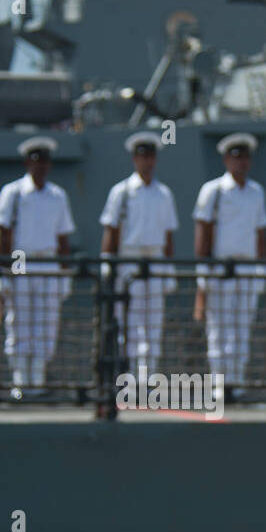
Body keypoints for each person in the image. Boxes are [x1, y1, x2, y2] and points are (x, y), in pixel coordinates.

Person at [0, 136, 76, 400]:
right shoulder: (12, 193)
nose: (40, 166)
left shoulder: (58, 195)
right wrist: (3, 274)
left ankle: (37, 380)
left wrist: (64, 274)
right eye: (36, 161)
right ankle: (20, 382)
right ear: (28, 163)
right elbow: (2, 234)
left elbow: (63, 238)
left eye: (45, 161)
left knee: (46, 324)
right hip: (20, 260)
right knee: (19, 323)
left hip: (48, 261)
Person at [193, 132, 266, 398]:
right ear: (226, 160)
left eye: (246, 157)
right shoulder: (213, 191)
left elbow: (260, 233)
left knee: (241, 329)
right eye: (236, 158)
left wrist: (261, 270)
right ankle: (218, 385)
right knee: (219, 330)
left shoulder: (257, 192)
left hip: (247, 268)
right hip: (220, 267)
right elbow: (203, 231)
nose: (242, 163)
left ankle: (236, 383)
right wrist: (203, 274)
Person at [99, 131, 178, 384]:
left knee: (153, 327)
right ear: (134, 159)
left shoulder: (164, 194)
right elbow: (110, 232)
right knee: (129, 327)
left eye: (151, 156)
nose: (147, 161)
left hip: (154, 261)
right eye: (142, 156)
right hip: (128, 262)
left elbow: (168, 236)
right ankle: (130, 379)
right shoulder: (120, 192)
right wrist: (107, 267)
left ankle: (148, 379)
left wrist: (168, 271)